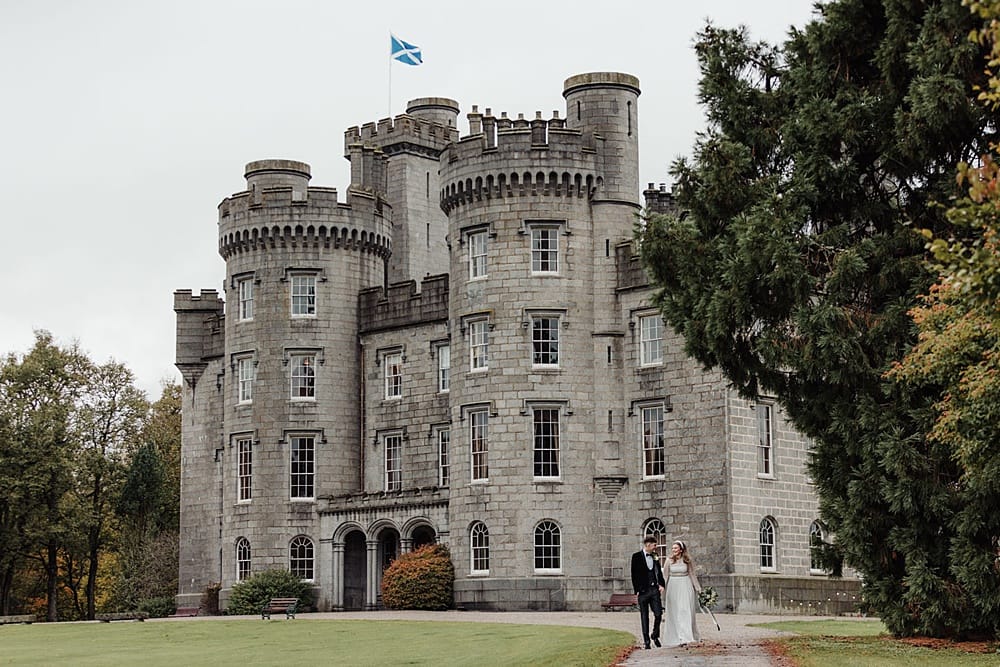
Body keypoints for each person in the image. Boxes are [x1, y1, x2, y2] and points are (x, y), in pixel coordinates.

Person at [663, 539, 703, 646]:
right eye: (672, 548)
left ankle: (686, 636)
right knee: (675, 611)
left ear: (681, 550)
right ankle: (675, 636)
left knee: (685, 610)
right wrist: (661, 588)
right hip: (673, 586)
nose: (673, 550)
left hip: (685, 585)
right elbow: (665, 575)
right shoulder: (668, 561)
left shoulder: (687, 560)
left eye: (676, 548)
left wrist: (698, 589)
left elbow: (692, 574)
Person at [629, 536, 666, 649]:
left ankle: (655, 635)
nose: (656, 547)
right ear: (648, 545)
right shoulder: (636, 557)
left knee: (658, 614)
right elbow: (633, 575)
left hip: (654, 590)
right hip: (643, 591)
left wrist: (661, 584)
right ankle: (646, 641)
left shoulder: (655, 556)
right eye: (654, 545)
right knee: (644, 616)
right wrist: (637, 591)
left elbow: (658, 571)